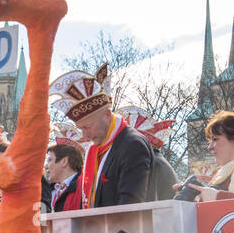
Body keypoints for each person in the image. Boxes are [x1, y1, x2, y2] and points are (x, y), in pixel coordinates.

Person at [52, 63, 154, 208]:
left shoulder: (132, 145)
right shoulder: (96, 150)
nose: (85, 135)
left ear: (106, 115)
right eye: (80, 129)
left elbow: (130, 208)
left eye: (87, 127)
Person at [43, 141, 84, 212]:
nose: (45, 166)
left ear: (64, 161)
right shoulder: (46, 191)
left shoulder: (85, 187)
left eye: (49, 160)